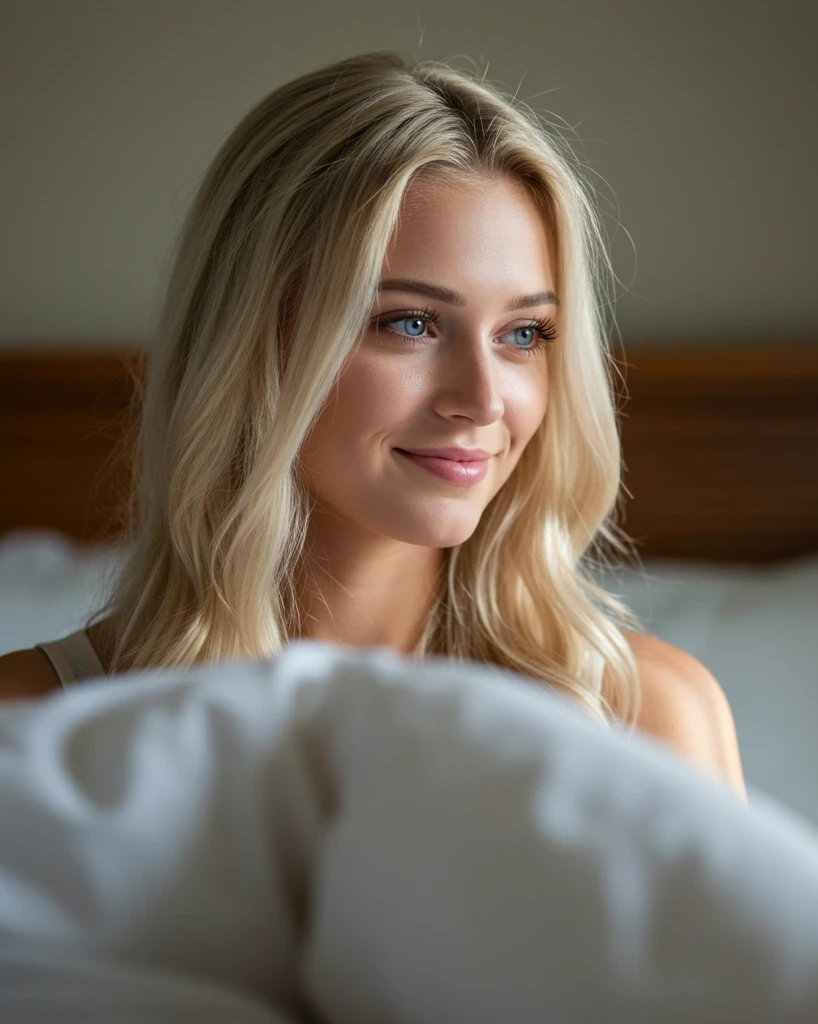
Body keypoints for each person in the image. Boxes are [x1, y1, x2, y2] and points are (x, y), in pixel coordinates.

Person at [0, 51, 747, 803]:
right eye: (412, 323)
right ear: (253, 340)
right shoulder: (31, 724)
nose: (484, 400)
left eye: (524, 334)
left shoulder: (644, 716)